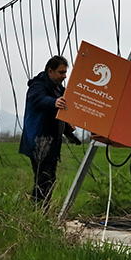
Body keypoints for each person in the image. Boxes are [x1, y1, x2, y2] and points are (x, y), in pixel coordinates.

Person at [19, 55, 81, 209]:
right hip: (38, 141)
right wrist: (54, 102)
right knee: (44, 180)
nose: (64, 76)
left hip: (52, 143)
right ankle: (37, 213)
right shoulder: (38, 86)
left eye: (65, 72)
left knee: (49, 180)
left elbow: (59, 114)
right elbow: (39, 100)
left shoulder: (59, 89)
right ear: (50, 71)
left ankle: (38, 213)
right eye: (61, 72)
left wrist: (69, 131)